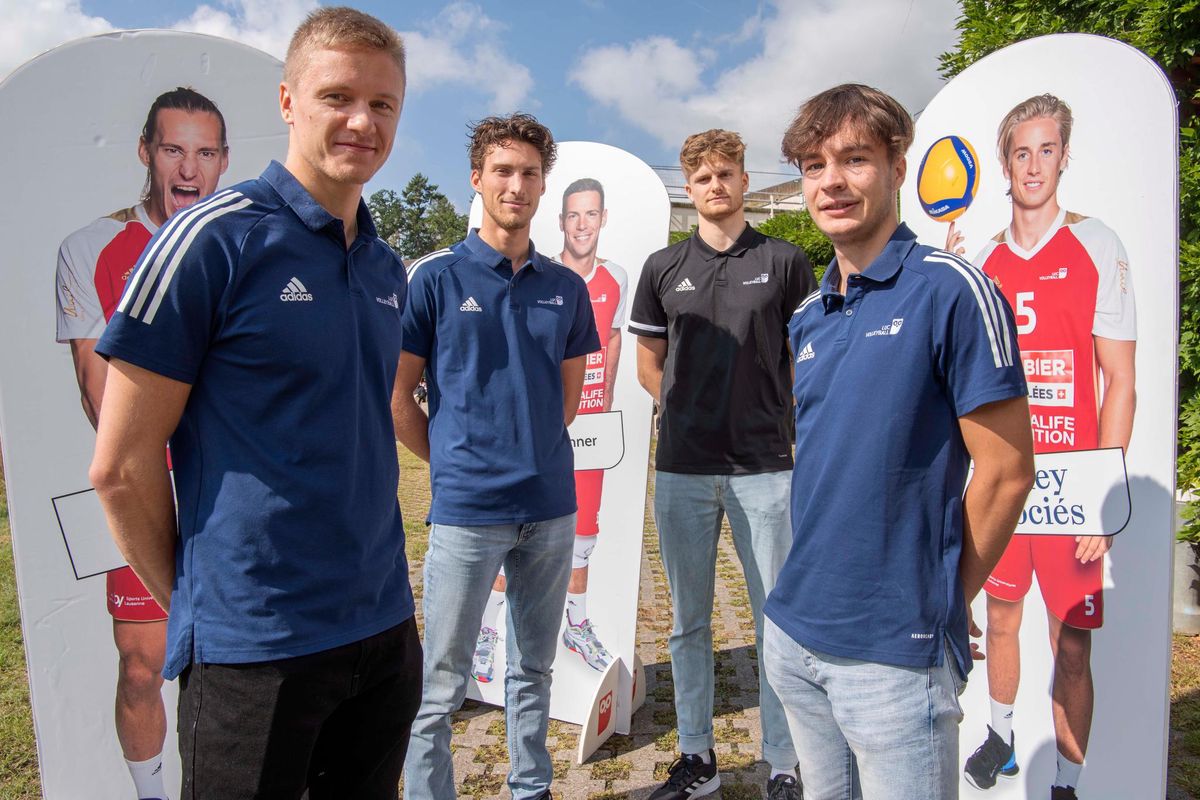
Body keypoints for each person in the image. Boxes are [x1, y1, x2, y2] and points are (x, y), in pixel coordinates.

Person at [89, 8, 420, 798]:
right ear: (286, 102)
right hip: (256, 656)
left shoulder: (384, 265)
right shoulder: (210, 238)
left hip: (382, 633)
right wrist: (209, 609)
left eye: (383, 104)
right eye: (337, 96)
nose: (360, 121)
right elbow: (120, 468)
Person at [764, 83, 1035, 799]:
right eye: (814, 166)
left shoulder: (952, 290)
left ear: (897, 166)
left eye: (854, 159)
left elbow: (1007, 472)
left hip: (894, 658)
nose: (832, 182)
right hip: (794, 636)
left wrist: (941, 602)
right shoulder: (807, 315)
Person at [393, 113, 600, 800]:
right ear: (477, 179)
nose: (516, 184)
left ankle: (530, 787)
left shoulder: (565, 288)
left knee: (533, 670)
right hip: (466, 512)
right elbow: (397, 396)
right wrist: (453, 465)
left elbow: (566, 403)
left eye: (530, 173)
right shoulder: (434, 279)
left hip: (549, 510)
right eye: (503, 171)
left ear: (544, 185)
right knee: (441, 683)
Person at [951, 94, 1136, 800]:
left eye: (1046, 149)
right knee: (1000, 615)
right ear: (1004, 162)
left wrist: (1102, 502)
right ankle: (998, 737)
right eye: (1021, 151)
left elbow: (1119, 380)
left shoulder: (1099, 247)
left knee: (1073, 644)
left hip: (1071, 488)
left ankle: (1068, 780)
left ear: (1065, 155)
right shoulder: (985, 259)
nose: (1034, 164)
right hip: (1005, 480)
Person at [628, 129, 814, 800]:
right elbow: (648, 361)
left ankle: (785, 761)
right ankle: (698, 759)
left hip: (766, 467)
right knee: (687, 622)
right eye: (702, 177)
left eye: (726, 174)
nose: (715, 186)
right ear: (689, 185)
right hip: (681, 467)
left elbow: (806, 360)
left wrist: (779, 415)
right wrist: (679, 404)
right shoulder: (661, 268)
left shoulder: (787, 261)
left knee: (777, 621)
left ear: (742, 180)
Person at [55, 85, 229, 800]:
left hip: (230, 489)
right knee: (142, 666)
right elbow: (103, 402)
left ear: (222, 162)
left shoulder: (242, 244)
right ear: (145, 153)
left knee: (233, 668)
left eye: (206, 152)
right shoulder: (91, 247)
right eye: (173, 149)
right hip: (145, 486)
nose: (189, 168)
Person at [471, 177, 628, 682]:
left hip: (593, 429)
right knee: (515, 533)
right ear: (561, 222)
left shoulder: (616, 278)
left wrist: (604, 406)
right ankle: (488, 630)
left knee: (584, 534)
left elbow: (614, 347)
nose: (583, 224)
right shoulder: (545, 276)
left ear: (604, 218)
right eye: (573, 215)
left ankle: (575, 625)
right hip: (545, 429)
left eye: (592, 214)